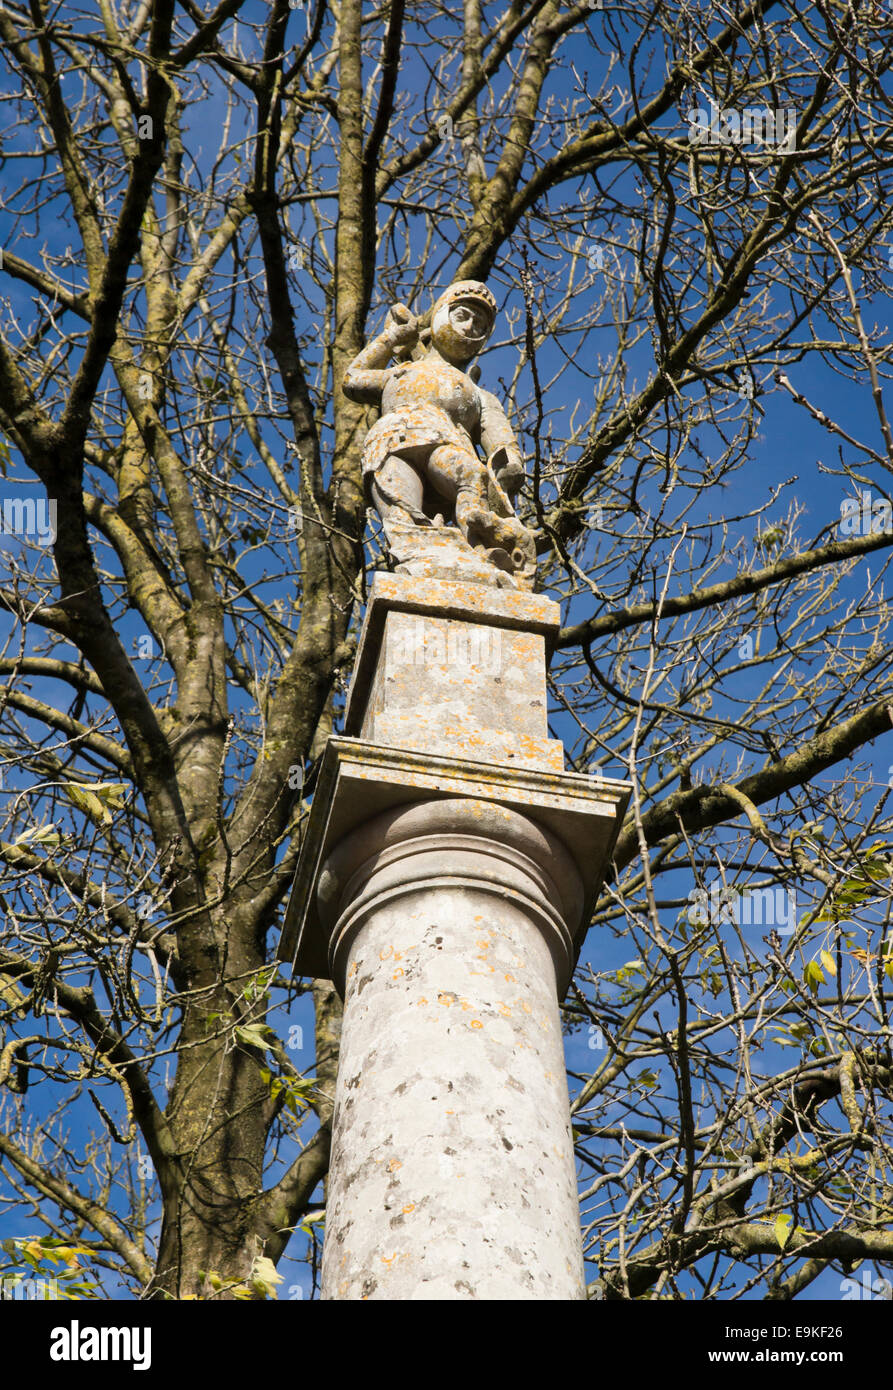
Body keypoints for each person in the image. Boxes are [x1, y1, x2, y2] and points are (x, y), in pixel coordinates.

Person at [342, 280, 536, 584]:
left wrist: (510, 465)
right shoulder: (401, 371)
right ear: (440, 316)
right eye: (462, 315)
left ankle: (478, 551)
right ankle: (418, 565)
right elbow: (353, 379)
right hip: (390, 442)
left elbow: (501, 441)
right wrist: (391, 337)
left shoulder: (479, 395)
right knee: (403, 521)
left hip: (445, 443)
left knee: (472, 477)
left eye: (480, 323)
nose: (470, 326)